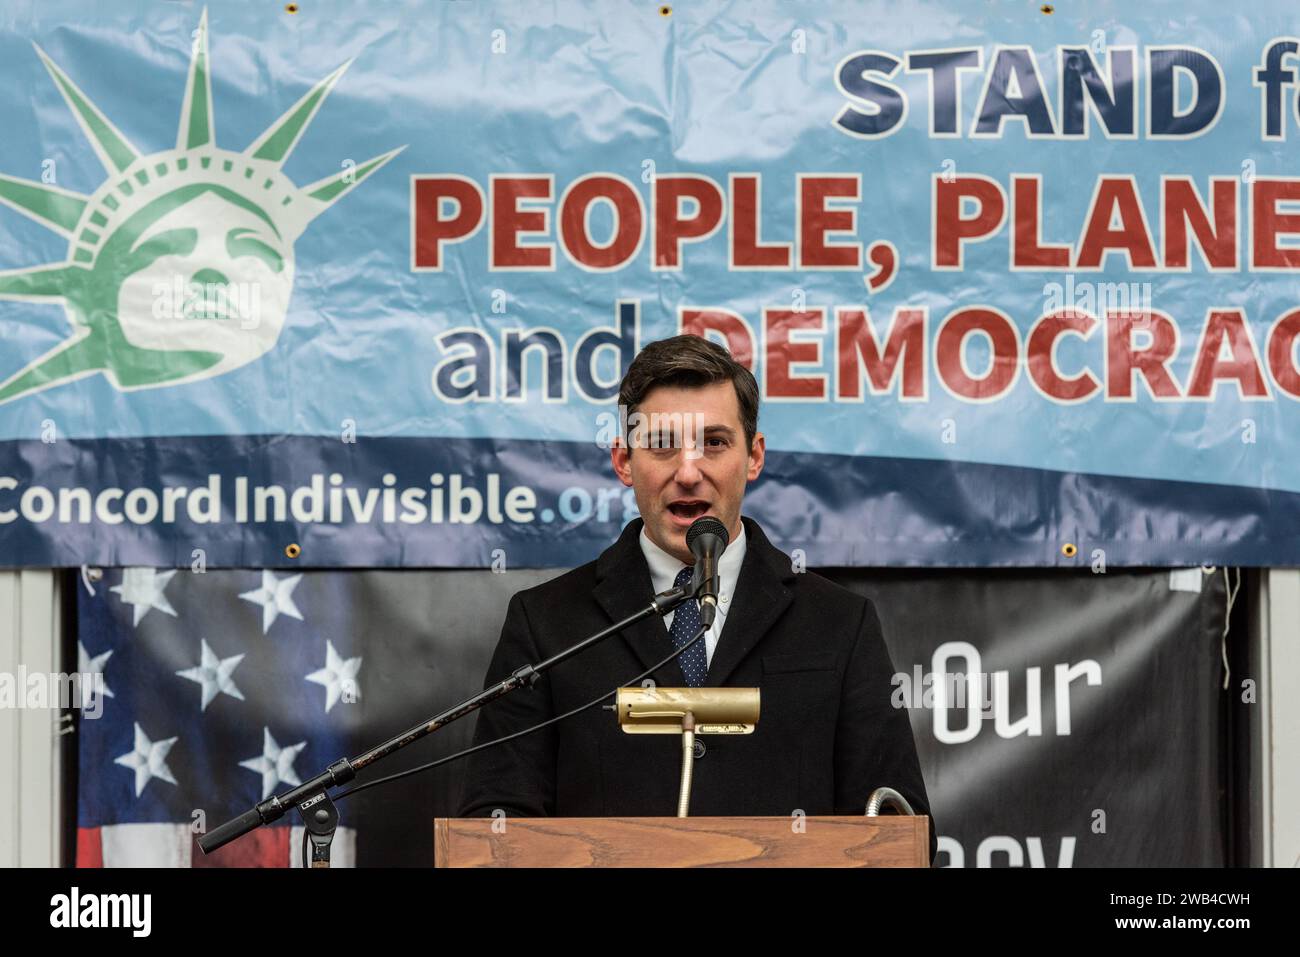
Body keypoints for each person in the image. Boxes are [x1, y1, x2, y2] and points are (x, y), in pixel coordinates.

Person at [457, 334, 937, 863]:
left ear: (753, 456)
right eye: (662, 444)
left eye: (713, 442)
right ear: (623, 461)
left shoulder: (840, 624)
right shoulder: (546, 624)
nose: (688, 472)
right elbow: (496, 825)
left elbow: (899, 827)